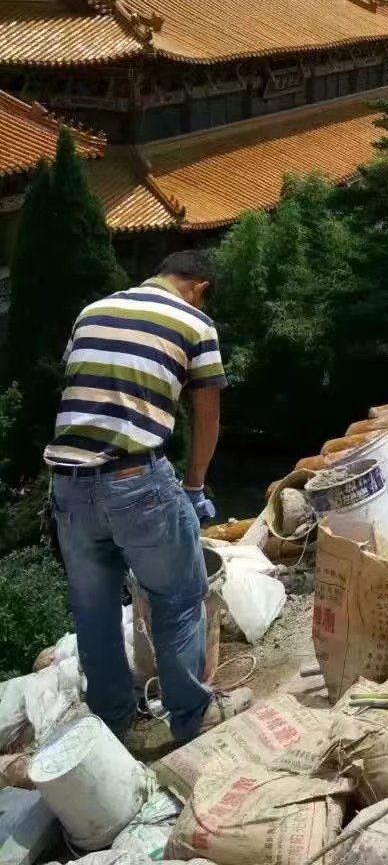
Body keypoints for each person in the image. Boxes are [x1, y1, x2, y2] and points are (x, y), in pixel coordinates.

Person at [45, 250, 252, 743]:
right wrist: (195, 485)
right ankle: (190, 720)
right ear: (199, 287)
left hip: (68, 485)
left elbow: (87, 387)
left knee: (93, 611)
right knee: (179, 598)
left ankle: (114, 728)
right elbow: (207, 418)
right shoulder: (196, 323)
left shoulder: (90, 312)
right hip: (136, 478)